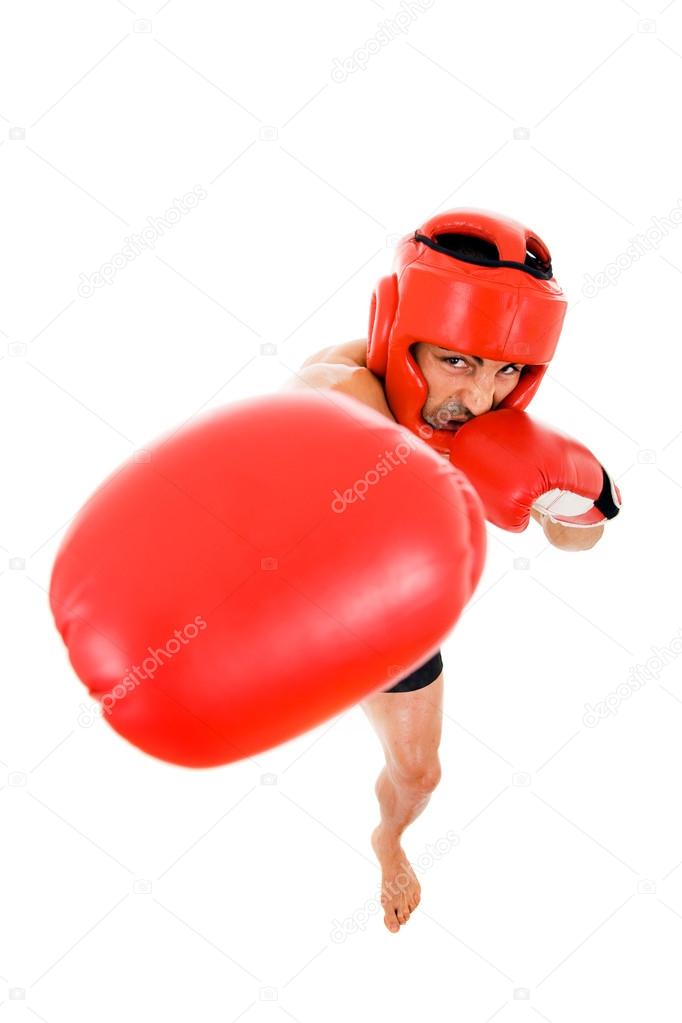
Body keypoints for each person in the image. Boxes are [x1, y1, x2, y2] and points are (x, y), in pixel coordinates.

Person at [284, 208, 618, 934]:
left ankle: (388, 839)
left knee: (421, 775)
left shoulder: (482, 417)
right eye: (458, 361)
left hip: (388, 615)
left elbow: (577, 544)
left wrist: (568, 492)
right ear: (398, 338)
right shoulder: (337, 395)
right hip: (278, 597)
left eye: (506, 371)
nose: (479, 398)